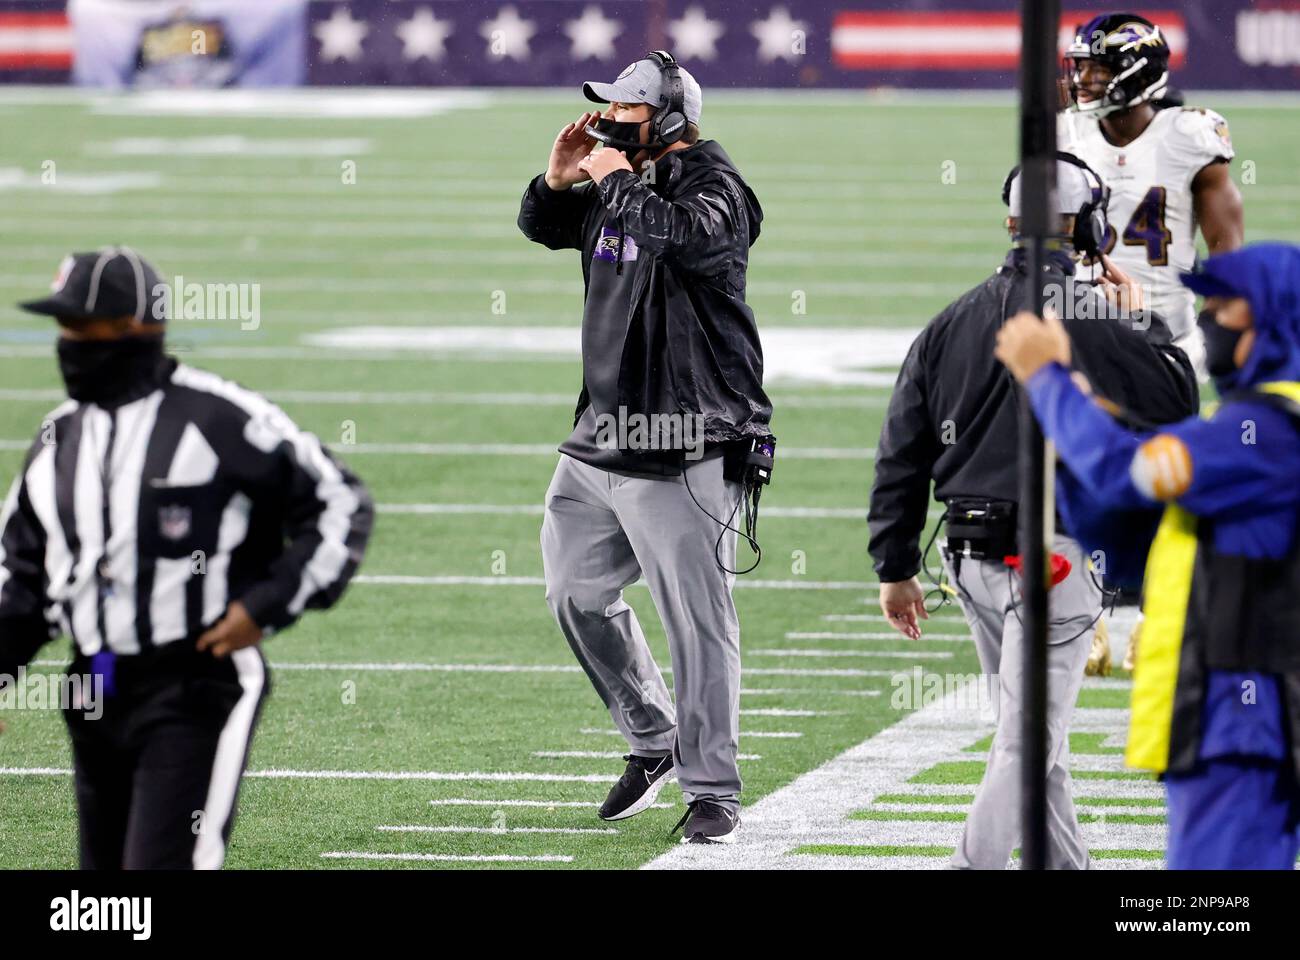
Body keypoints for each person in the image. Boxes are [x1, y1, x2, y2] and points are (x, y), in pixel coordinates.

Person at [868, 156, 1197, 869]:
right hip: (1052, 558)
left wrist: (895, 566)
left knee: (1033, 740)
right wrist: (1140, 320)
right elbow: (1175, 405)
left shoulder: (951, 319)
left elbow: (901, 451)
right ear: (1087, 225)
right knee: (1027, 742)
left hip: (969, 558)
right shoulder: (1087, 315)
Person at [0, 247, 373, 869]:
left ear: (133, 327)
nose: (66, 341)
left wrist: (267, 604)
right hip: (92, 684)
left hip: (195, 682)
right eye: (62, 327)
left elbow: (338, 503)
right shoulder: (57, 437)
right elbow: (23, 577)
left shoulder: (217, 415)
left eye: (80, 326)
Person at [517, 52, 771, 844]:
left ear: (664, 118)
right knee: (574, 593)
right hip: (599, 433)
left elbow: (682, 240)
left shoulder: (717, 186)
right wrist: (559, 181)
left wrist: (612, 176)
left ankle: (714, 790)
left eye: (622, 112)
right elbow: (548, 229)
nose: (604, 123)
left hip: (683, 436)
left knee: (697, 622)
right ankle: (653, 734)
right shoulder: (616, 180)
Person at [995, 243, 1300, 869]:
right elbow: (1136, 532)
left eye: (1225, 302)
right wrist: (1088, 411)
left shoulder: (1267, 433)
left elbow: (1120, 470)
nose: (1209, 314)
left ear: (1275, 313)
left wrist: (1049, 380)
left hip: (1242, 725)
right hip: (1243, 717)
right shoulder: (1257, 425)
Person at [1061, 11, 1243, 376]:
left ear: (1140, 74)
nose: (1083, 81)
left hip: (1168, 335)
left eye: (1099, 70)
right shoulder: (1067, 133)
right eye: (1080, 68)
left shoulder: (1190, 136)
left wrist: (1218, 321)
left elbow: (1226, 248)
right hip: (1083, 328)